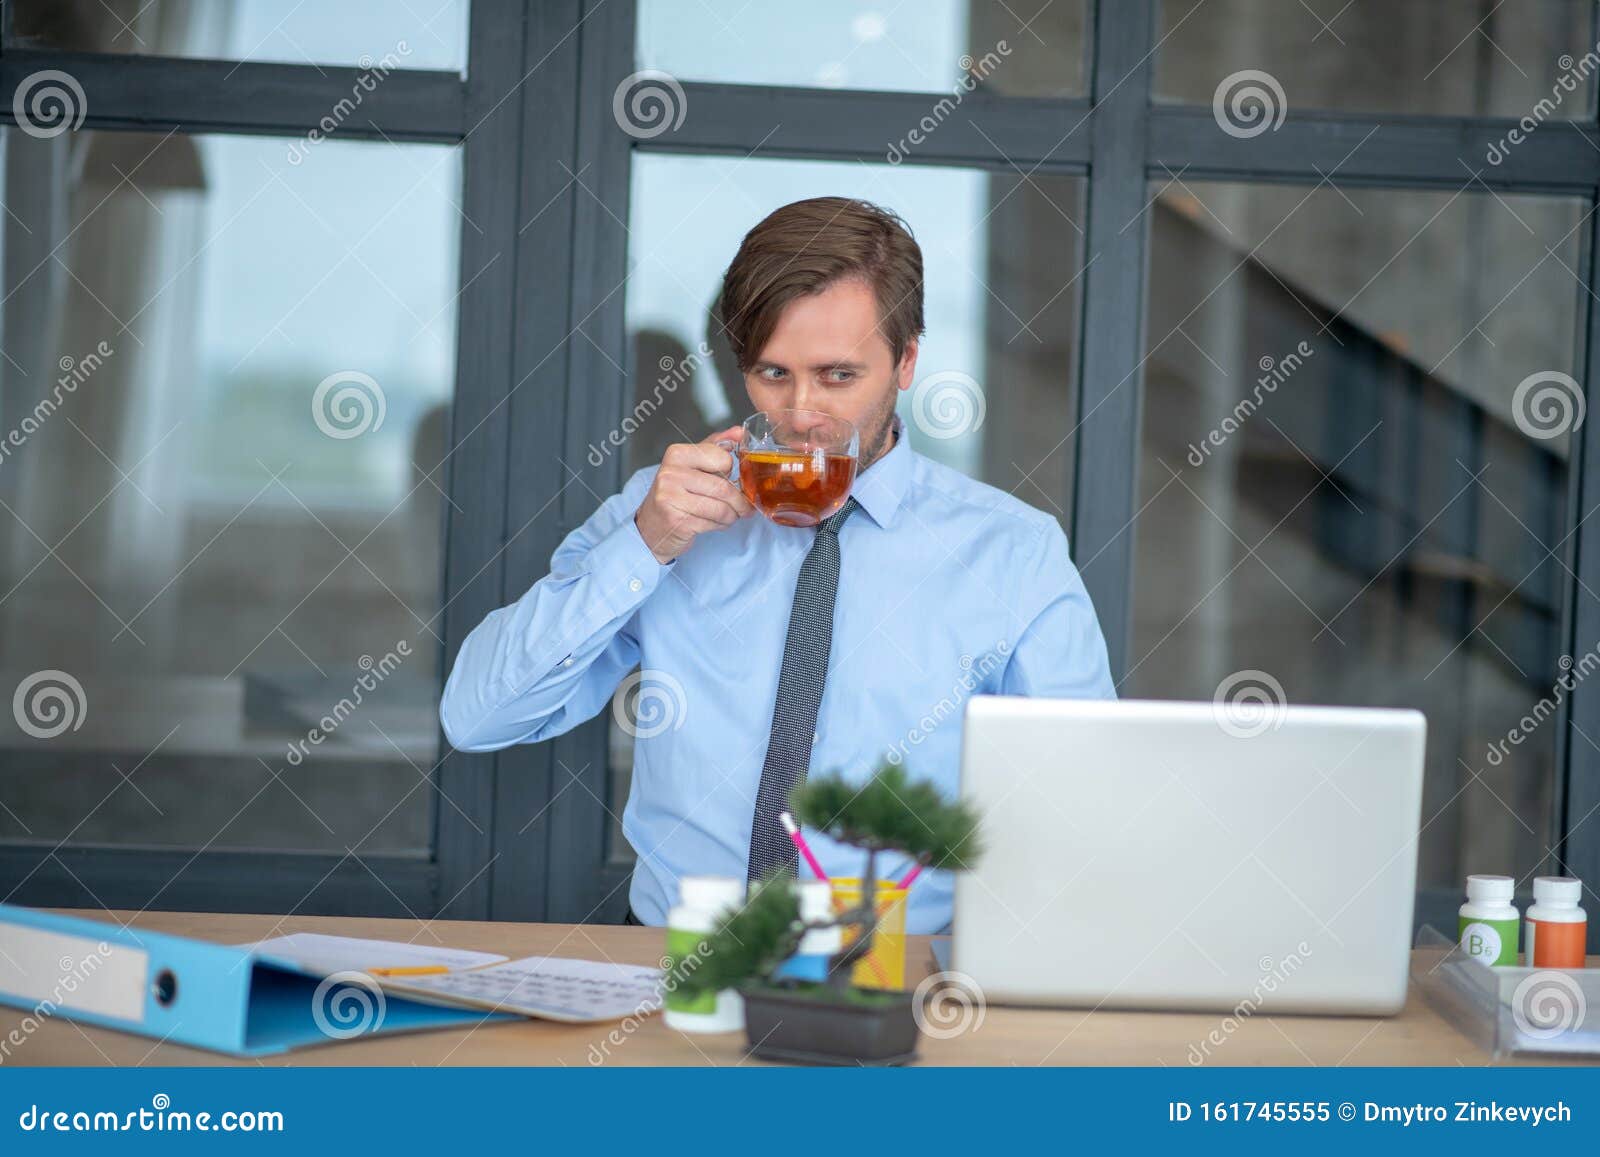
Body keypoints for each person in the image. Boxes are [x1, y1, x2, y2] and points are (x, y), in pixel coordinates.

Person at [439, 196, 1115, 932]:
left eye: (836, 376)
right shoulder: (662, 514)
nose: (799, 413)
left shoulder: (1014, 551)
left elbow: (1084, 808)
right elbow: (479, 716)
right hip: (679, 965)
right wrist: (643, 545)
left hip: (893, 974)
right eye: (772, 373)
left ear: (907, 361)